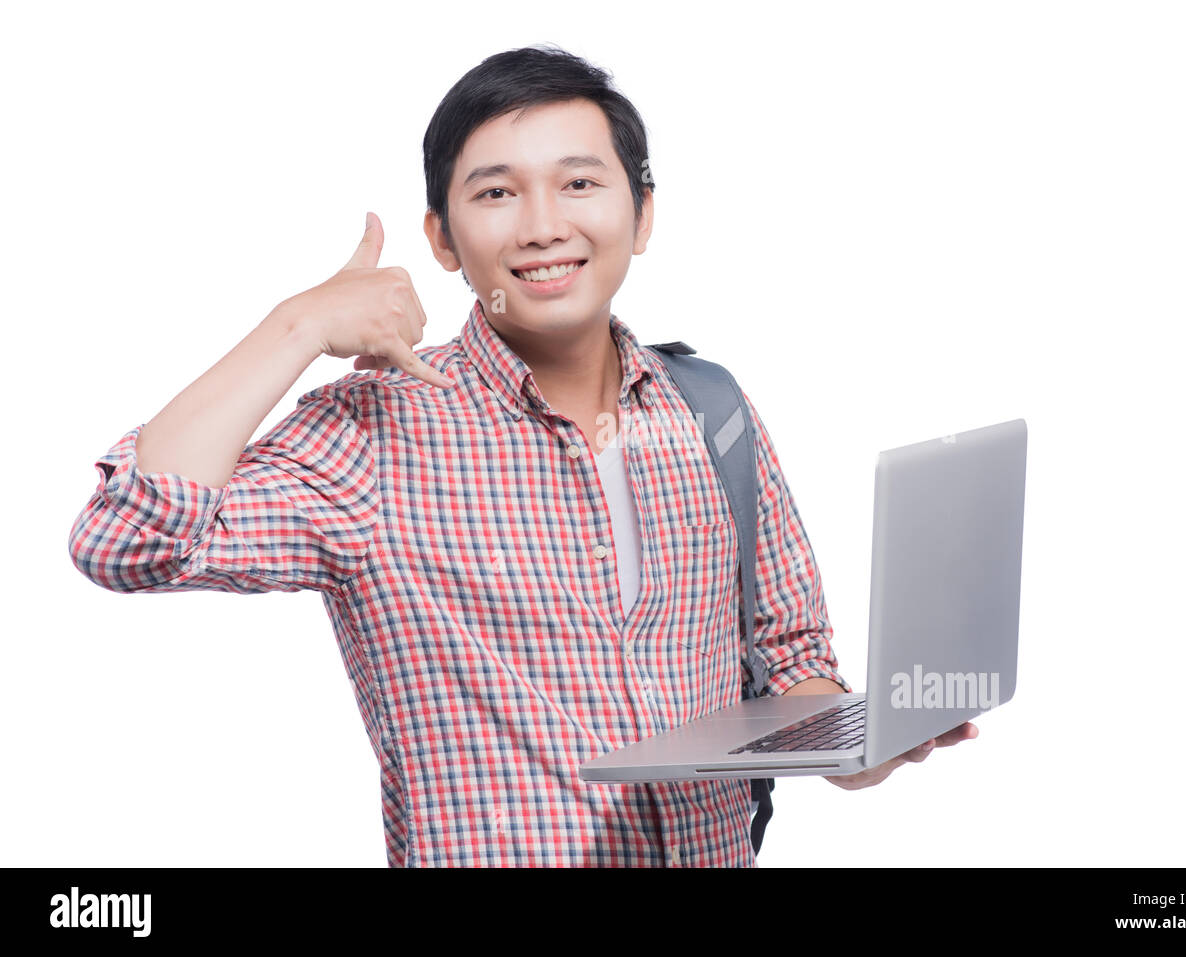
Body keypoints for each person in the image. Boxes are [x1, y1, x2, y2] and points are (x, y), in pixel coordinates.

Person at [68, 44, 975, 867]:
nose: (543, 226)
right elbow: (126, 538)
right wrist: (298, 324)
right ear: (443, 240)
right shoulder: (377, 433)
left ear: (642, 212)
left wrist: (857, 749)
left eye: (580, 183)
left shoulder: (713, 408)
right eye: (496, 193)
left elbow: (790, 659)